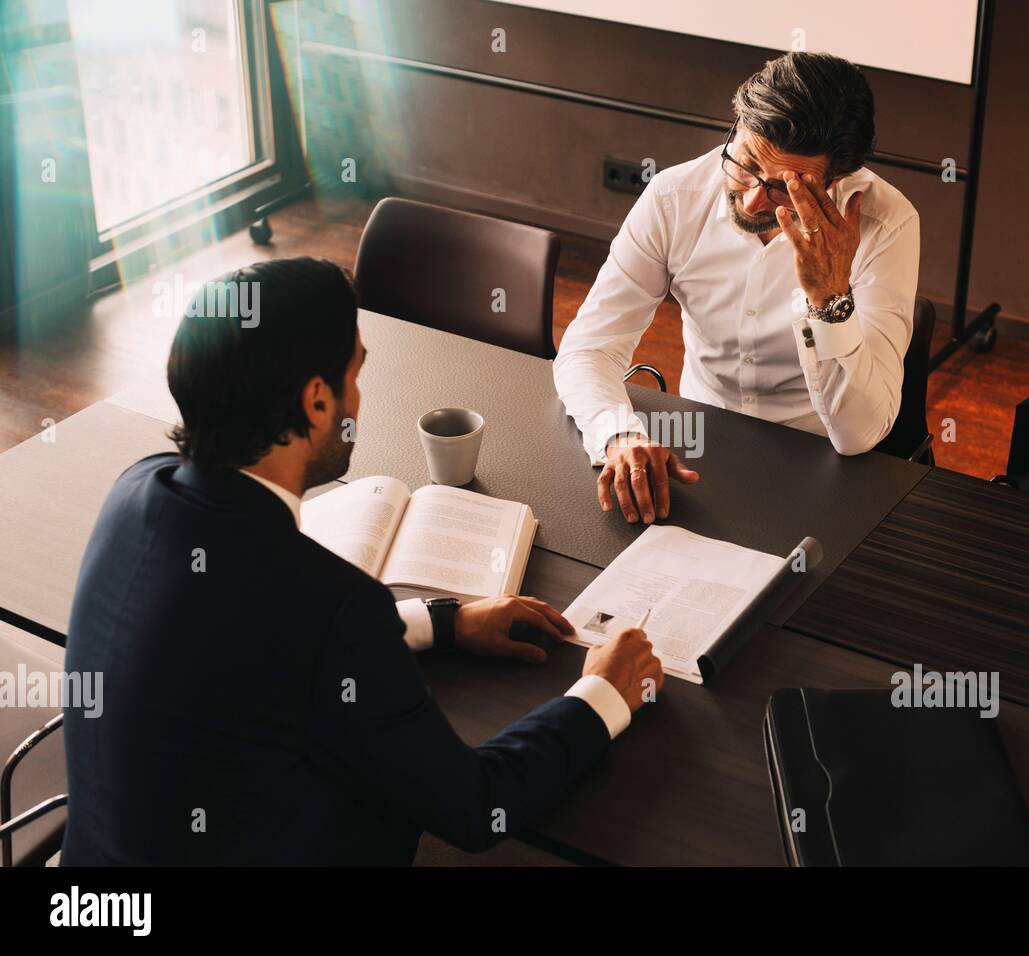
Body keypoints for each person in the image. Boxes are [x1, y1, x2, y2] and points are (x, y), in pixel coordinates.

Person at [61, 257, 663, 865]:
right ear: (317, 403)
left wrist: (443, 621)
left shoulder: (138, 489)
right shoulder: (333, 608)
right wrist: (602, 693)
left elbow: (259, 642)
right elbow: (476, 807)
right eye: (354, 376)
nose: (358, 399)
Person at [554, 51, 920, 524]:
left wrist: (829, 299)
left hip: (820, 456)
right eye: (745, 164)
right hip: (700, 441)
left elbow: (859, 435)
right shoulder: (673, 198)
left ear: (837, 180)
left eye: (785, 187)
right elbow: (589, 348)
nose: (750, 199)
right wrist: (617, 434)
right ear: (736, 126)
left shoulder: (886, 225)